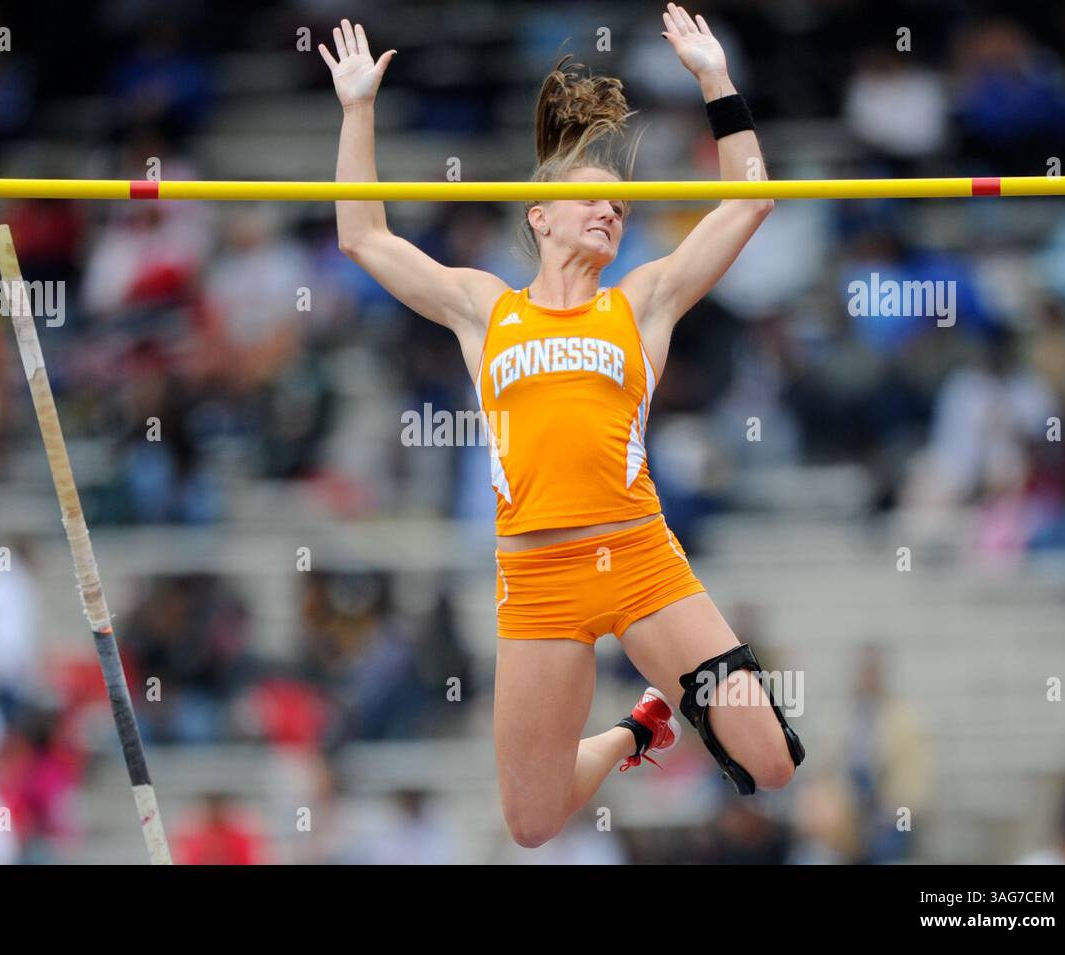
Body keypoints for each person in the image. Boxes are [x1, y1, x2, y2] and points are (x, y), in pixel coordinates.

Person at [321, 5, 803, 849]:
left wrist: (714, 78)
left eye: (619, 207)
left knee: (771, 762)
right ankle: (641, 726)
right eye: (591, 199)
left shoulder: (643, 302)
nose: (610, 212)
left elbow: (750, 198)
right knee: (533, 821)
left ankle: (675, 707)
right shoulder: (484, 308)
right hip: (537, 581)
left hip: (643, 561)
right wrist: (358, 108)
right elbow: (362, 235)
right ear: (538, 216)